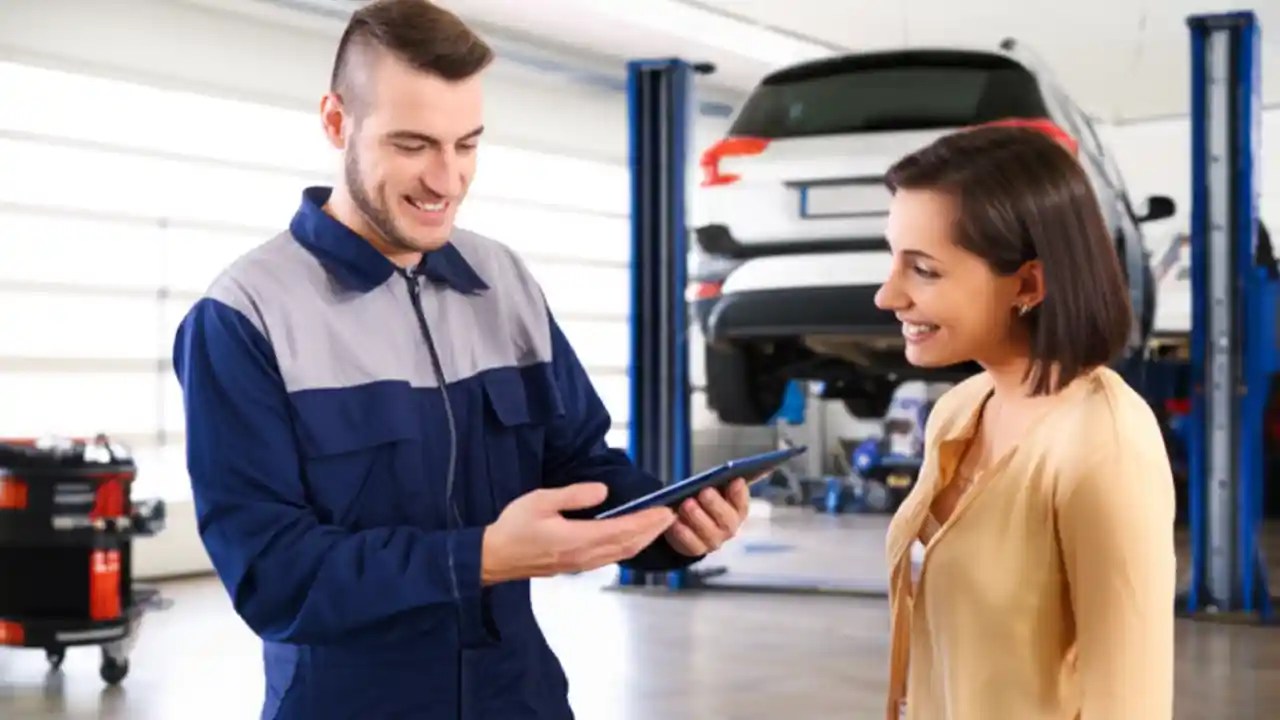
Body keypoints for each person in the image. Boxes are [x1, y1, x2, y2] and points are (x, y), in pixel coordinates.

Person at [171, 1, 752, 718]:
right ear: (335, 122)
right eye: (413, 145)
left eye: (467, 145)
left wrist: (672, 523)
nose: (446, 181)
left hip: (520, 697)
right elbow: (273, 577)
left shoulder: (502, 281)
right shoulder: (245, 317)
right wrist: (481, 557)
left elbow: (578, 464)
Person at [873, 123, 1176, 720]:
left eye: (924, 270)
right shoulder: (959, 411)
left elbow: (1130, 701)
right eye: (893, 260)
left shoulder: (1105, 444)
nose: (887, 295)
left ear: (1028, 284)